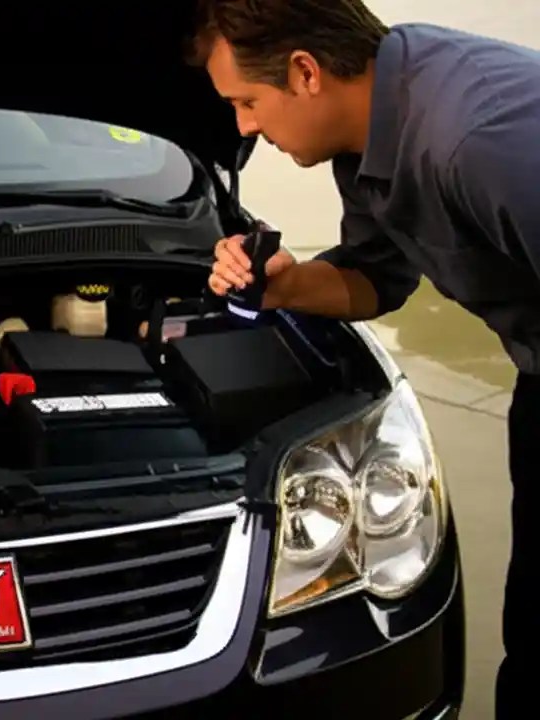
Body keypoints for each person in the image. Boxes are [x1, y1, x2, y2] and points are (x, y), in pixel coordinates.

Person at [192, 0, 540, 716]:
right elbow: (376, 280)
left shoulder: (480, 141)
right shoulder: (371, 126)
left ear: (305, 73)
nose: (244, 127)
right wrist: (287, 286)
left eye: (246, 102)